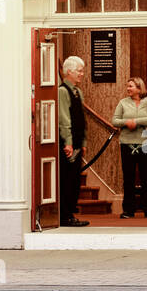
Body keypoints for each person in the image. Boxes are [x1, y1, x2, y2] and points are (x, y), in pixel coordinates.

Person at [111, 77, 147, 219]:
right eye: (127, 86)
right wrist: (127, 122)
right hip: (127, 143)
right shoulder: (123, 103)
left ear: (139, 88)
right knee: (128, 178)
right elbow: (114, 120)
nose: (128, 89)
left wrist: (136, 121)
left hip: (146, 143)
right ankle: (128, 210)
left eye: (131, 86)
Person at [56, 55, 89, 227]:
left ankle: (70, 212)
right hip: (67, 144)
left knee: (75, 179)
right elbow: (64, 119)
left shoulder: (78, 92)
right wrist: (68, 142)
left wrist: (82, 143)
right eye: (80, 71)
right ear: (69, 71)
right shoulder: (62, 91)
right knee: (67, 180)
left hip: (77, 143)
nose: (82, 74)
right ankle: (65, 215)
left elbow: (81, 118)